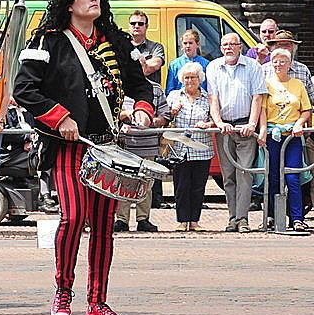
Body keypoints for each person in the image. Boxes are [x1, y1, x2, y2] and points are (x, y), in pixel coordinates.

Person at [14, 0, 154, 315]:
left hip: (108, 146)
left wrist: (140, 110)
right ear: (70, 2)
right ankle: (63, 292)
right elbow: (25, 90)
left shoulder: (117, 41)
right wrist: (59, 117)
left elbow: (141, 87)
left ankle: (98, 302)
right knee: (73, 218)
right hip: (68, 147)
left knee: (105, 225)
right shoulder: (47, 41)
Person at [206, 32, 266, 232]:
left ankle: (243, 219)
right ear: (221, 48)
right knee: (228, 175)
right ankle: (232, 218)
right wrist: (218, 122)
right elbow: (213, 99)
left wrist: (252, 124)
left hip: (244, 127)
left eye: (233, 44)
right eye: (225, 45)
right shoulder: (213, 67)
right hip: (224, 128)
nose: (229, 48)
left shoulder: (253, 67)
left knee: (244, 173)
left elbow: (258, 97)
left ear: (240, 47)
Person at [258, 47, 312, 231]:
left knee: (292, 176)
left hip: (292, 137)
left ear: (289, 64)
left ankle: (297, 218)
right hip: (273, 136)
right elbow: (262, 110)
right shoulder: (266, 84)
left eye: (283, 61)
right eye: (276, 61)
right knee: (272, 177)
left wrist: (299, 124)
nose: (279, 64)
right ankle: (271, 215)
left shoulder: (298, 84)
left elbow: (306, 109)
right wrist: (263, 130)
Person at [113, 80, 170, 232]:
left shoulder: (155, 89)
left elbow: (166, 115)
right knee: (123, 182)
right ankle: (121, 219)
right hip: (125, 145)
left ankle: (143, 219)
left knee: (146, 185)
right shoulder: (118, 85)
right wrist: (126, 114)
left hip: (148, 145)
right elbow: (110, 112)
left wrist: (151, 122)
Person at [166, 63, 215, 231]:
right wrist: (172, 112)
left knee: (198, 187)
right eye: (186, 77)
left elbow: (216, 119)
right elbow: (165, 118)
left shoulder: (208, 97)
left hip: (201, 148)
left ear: (199, 79)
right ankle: (182, 221)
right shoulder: (174, 95)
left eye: (193, 77)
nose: (189, 81)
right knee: (181, 186)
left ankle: (194, 221)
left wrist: (207, 124)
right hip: (180, 149)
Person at [165, 29, 209, 94]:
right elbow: (170, 89)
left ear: (197, 44)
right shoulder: (174, 65)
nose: (187, 46)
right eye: (185, 43)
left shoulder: (206, 64)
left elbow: (209, 87)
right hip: (180, 101)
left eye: (190, 43)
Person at [127, 10, 165, 84]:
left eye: (140, 24)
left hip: (150, 93)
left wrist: (128, 69)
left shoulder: (156, 47)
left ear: (146, 26)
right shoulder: (121, 47)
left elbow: (149, 69)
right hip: (127, 93)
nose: (136, 26)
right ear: (129, 26)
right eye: (133, 23)